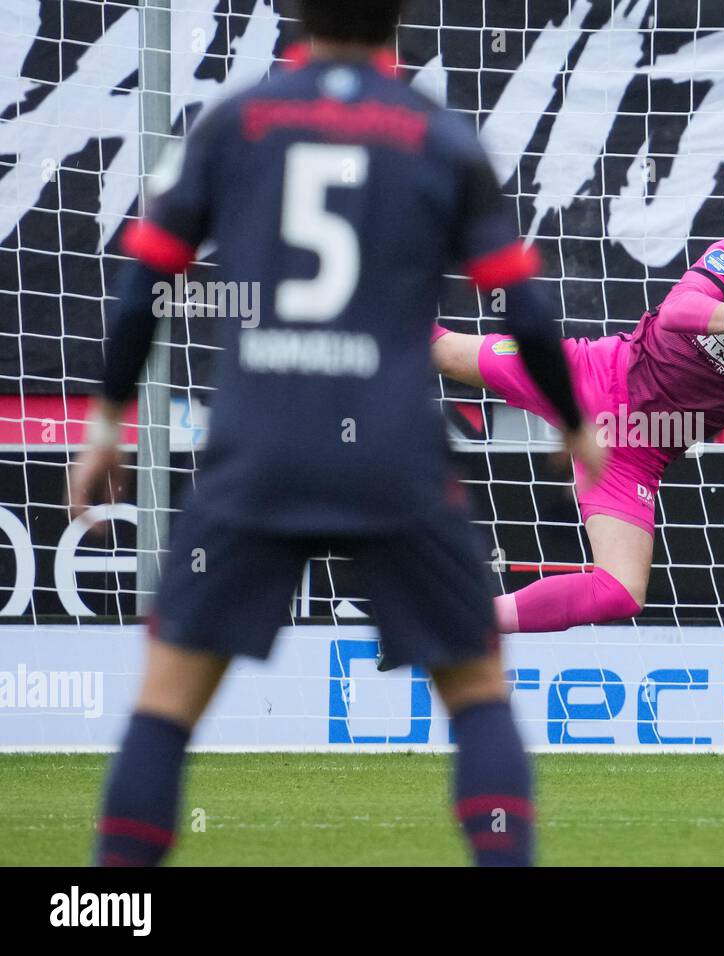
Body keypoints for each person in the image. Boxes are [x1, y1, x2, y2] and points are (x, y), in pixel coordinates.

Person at [70, 0, 603, 867]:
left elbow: (144, 286)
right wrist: (575, 424)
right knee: (477, 691)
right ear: (398, 21)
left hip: (258, 451)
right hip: (393, 458)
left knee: (166, 702)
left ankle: (103, 911)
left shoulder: (236, 121)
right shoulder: (436, 134)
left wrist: (105, 425)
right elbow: (526, 310)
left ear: (296, 18)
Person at [429, 205, 724, 637]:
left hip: (635, 451)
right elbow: (677, 312)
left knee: (620, 593)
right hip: (592, 377)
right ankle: (362, 312)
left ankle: (458, 623)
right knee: (445, 352)